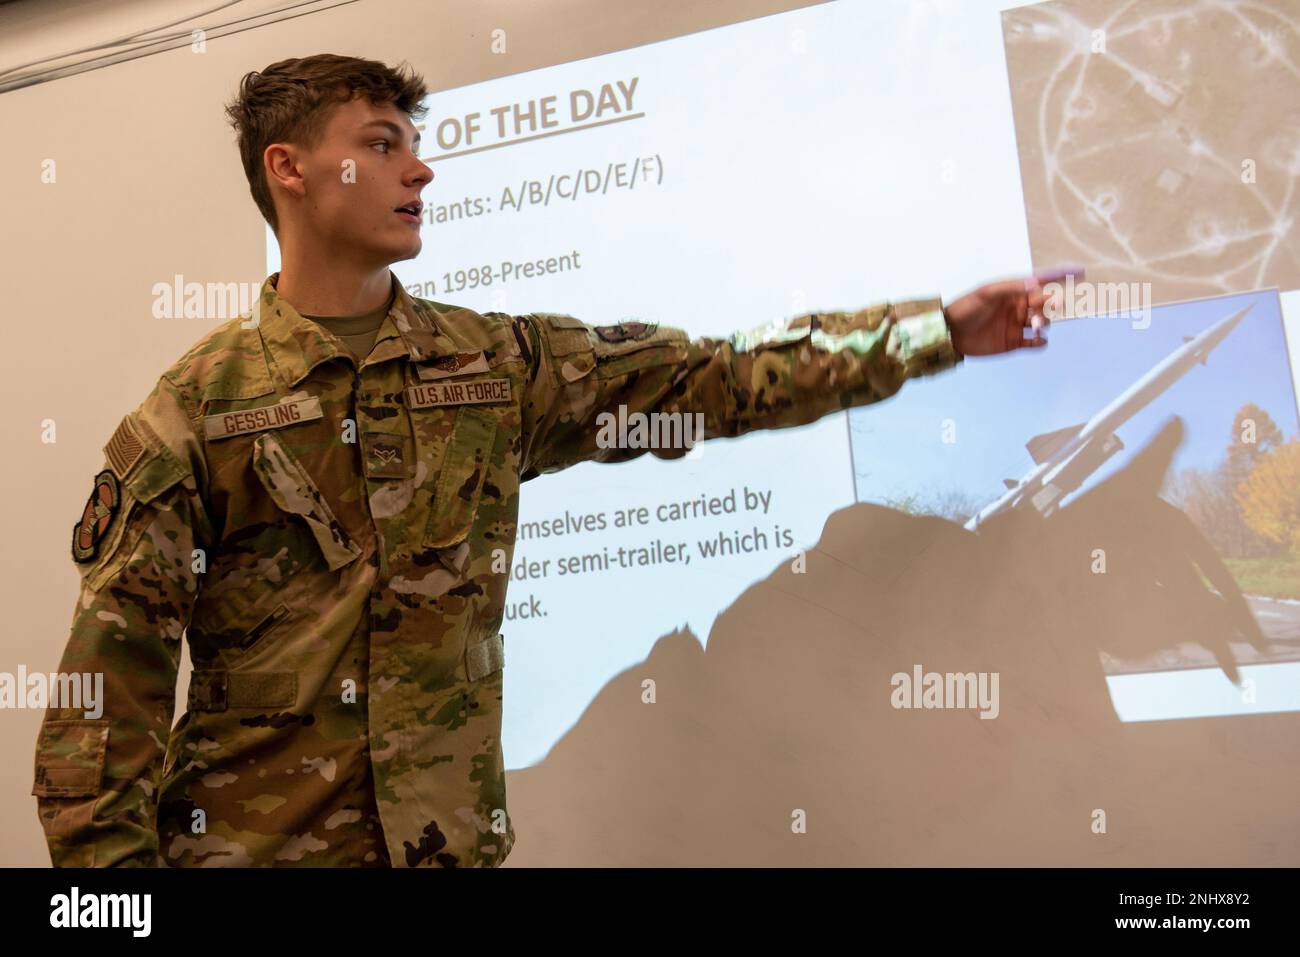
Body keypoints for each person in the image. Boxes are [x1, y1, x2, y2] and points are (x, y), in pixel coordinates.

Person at [34, 53, 1064, 867]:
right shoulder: (197, 415)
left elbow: (711, 379)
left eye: (416, 145)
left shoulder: (494, 366)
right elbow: (104, 710)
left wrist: (934, 330)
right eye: (383, 143)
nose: (420, 168)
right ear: (289, 169)